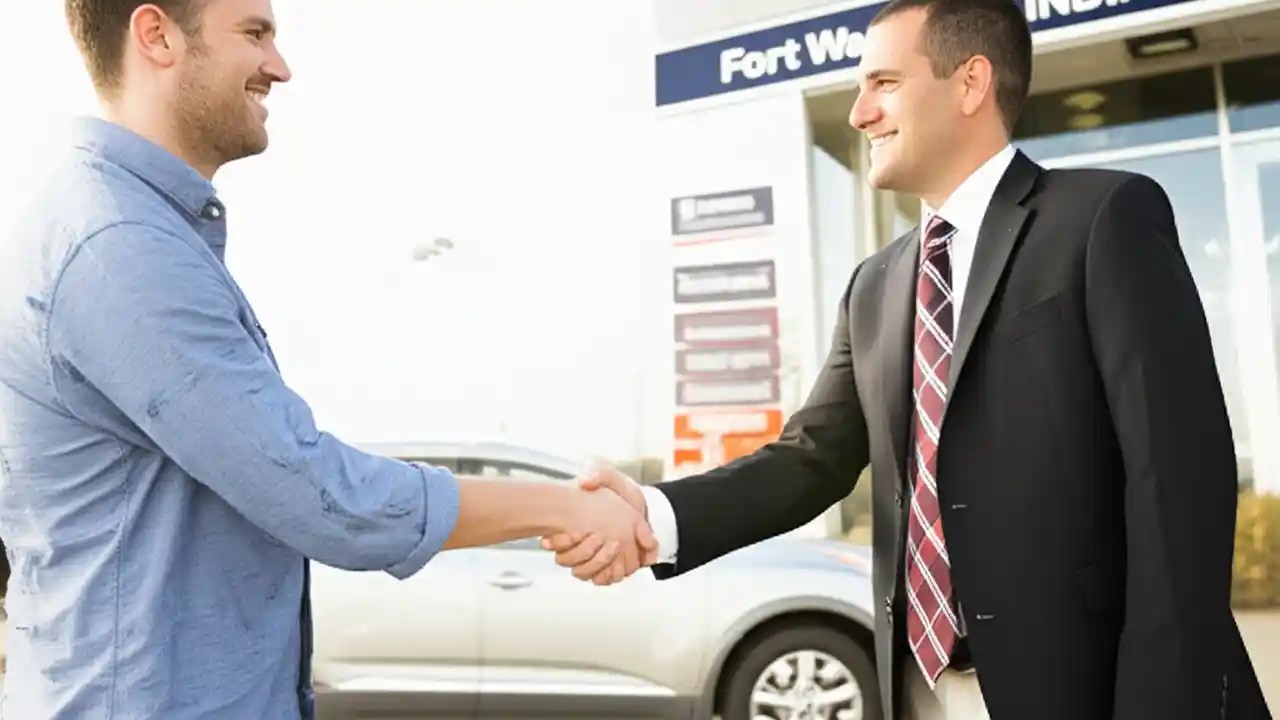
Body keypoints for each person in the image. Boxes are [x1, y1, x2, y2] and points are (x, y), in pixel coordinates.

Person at [544, 0, 1272, 717]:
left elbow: (1177, 477)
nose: (860, 113)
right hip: (919, 688)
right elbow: (810, 460)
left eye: (883, 83)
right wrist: (657, 513)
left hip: (1090, 685)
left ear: (970, 83)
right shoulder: (875, 285)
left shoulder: (1102, 219)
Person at [0, 1, 654, 717]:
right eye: (254, 33)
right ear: (156, 36)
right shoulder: (117, 243)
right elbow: (319, 495)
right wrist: (559, 504)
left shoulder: (118, 227)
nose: (279, 66)